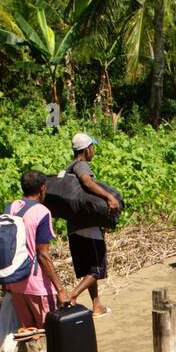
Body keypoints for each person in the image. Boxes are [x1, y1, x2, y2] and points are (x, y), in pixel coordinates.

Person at [6, 169, 66, 331]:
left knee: (27, 334)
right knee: (49, 334)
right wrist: (60, 289)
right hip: (36, 285)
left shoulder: (11, 207)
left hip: (15, 282)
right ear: (42, 188)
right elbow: (43, 255)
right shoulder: (42, 212)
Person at [64, 132, 115, 317]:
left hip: (73, 228)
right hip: (88, 228)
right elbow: (87, 182)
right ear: (87, 149)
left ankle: (97, 305)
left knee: (88, 269)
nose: (93, 150)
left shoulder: (67, 168)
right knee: (97, 268)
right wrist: (109, 197)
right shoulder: (82, 165)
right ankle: (72, 295)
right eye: (92, 147)